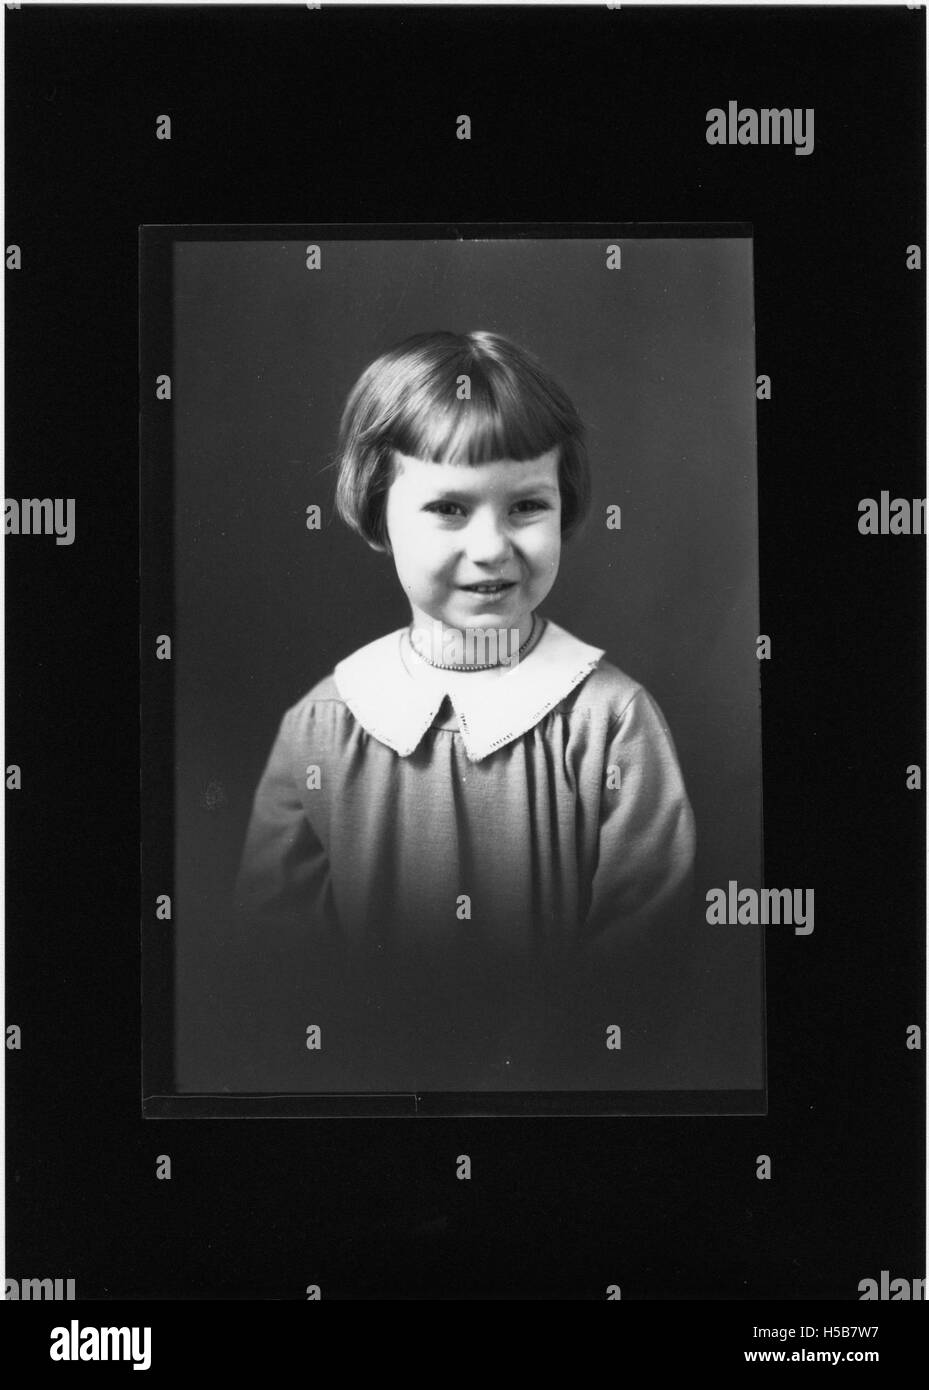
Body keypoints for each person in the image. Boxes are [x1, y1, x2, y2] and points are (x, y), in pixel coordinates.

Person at [232, 330, 696, 1092]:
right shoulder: (322, 725)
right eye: (448, 508)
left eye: (525, 506)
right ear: (378, 515)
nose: (491, 546)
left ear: (564, 506)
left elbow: (642, 953)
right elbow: (278, 952)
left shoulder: (611, 722)